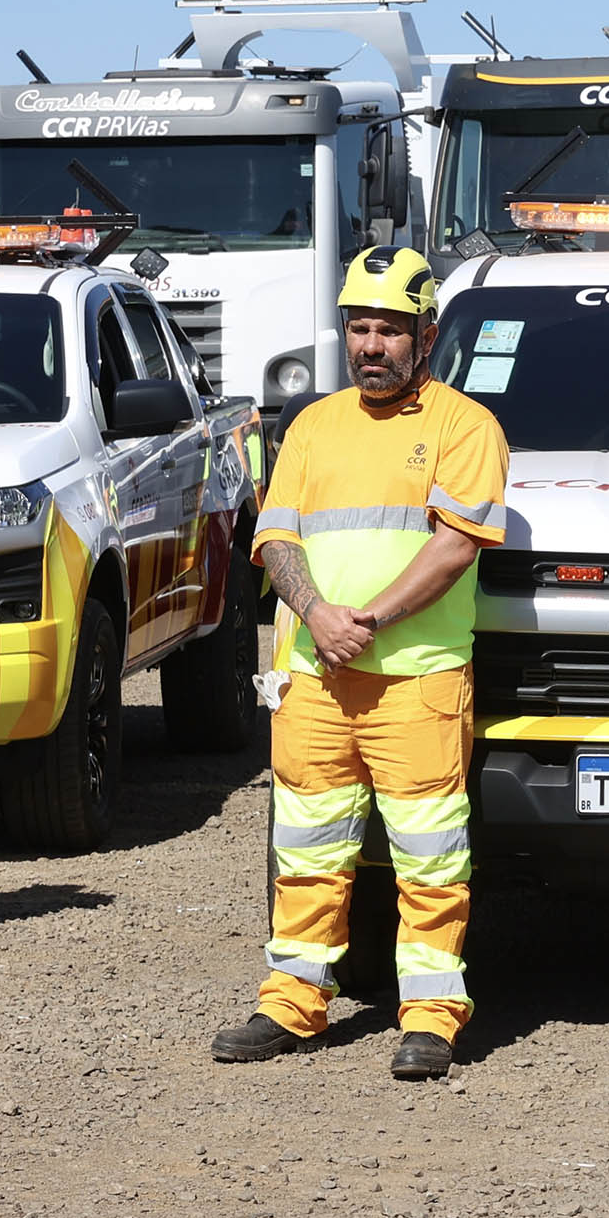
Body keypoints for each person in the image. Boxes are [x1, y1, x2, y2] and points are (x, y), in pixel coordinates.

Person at [212, 246, 508, 1079]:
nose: (371, 345)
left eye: (390, 330)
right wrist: (317, 616)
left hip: (418, 679)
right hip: (317, 677)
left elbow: (454, 547)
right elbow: (276, 537)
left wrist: (365, 622)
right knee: (306, 850)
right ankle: (292, 1003)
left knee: (430, 860)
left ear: (428, 335)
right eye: (359, 327)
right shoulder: (313, 425)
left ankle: (432, 1018)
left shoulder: (466, 426)